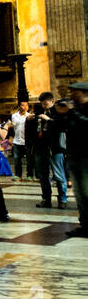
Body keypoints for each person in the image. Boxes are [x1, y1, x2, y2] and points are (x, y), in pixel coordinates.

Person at [63, 82, 88, 236]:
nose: (72, 95)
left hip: (87, 157)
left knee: (87, 192)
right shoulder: (74, 111)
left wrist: (72, 112)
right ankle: (85, 226)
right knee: (79, 194)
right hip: (74, 155)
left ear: (85, 93)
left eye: (75, 92)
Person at [31, 92, 59, 208]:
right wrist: (30, 120)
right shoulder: (39, 112)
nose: (44, 106)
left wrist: (49, 119)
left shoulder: (58, 113)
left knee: (58, 174)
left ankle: (62, 200)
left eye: (46, 104)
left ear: (52, 102)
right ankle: (46, 199)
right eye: (42, 104)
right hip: (39, 146)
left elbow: (60, 128)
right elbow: (33, 130)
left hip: (53, 148)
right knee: (43, 175)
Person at [9, 99, 32, 180]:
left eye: (26, 105)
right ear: (19, 106)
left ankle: (30, 175)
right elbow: (13, 127)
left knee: (29, 160)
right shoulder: (14, 116)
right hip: (17, 140)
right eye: (22, 105)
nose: (24, 107)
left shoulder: (30, 116)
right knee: (17, 159)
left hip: (27, 141)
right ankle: (18, 175)